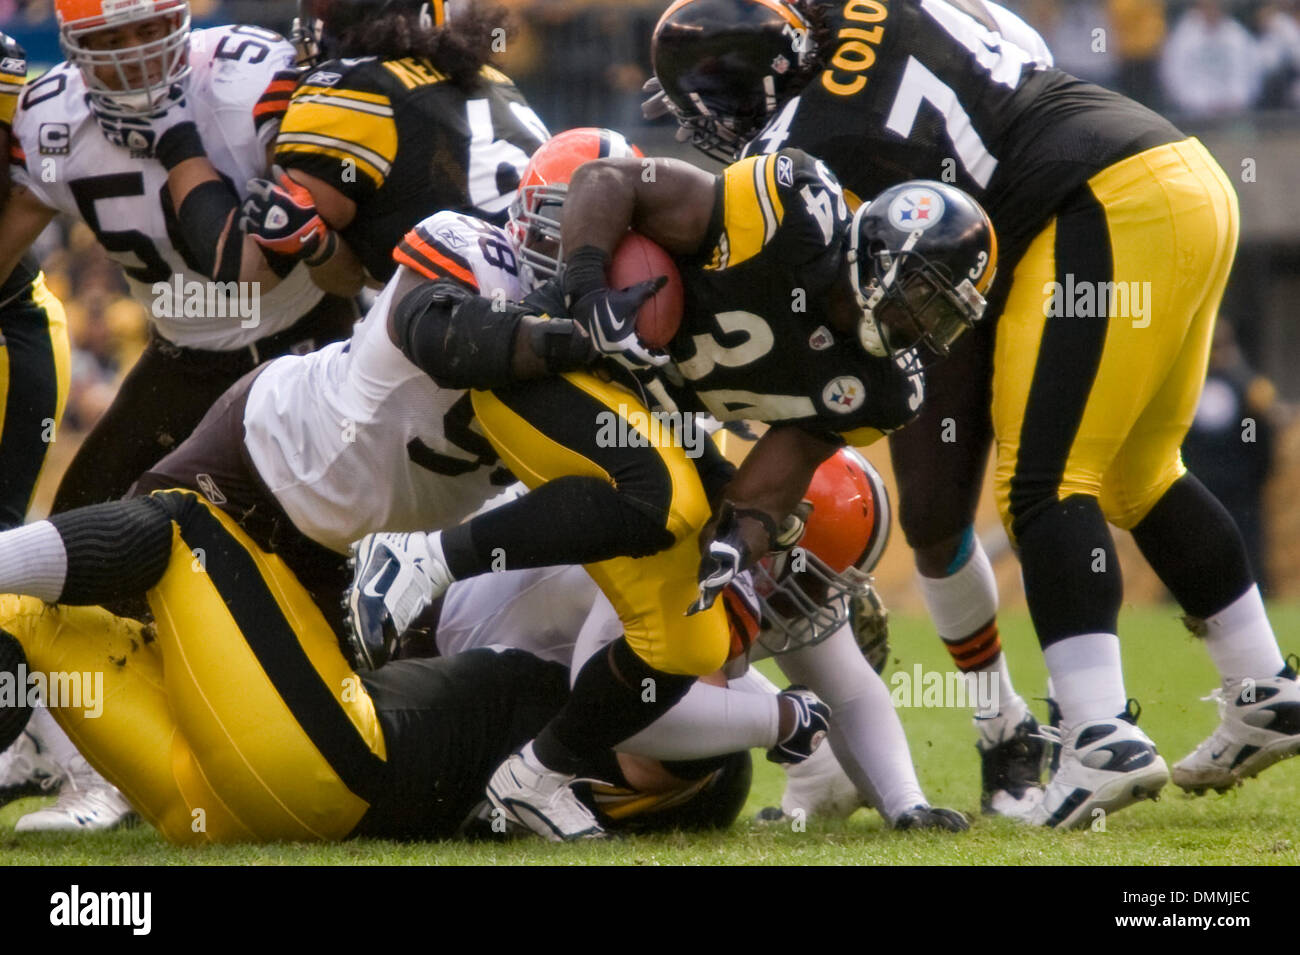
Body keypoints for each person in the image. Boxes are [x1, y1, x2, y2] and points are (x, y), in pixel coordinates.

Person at [648, 0, 1300, 827]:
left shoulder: (800, 151)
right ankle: (1263, 685)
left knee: (1043, 484)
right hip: (1178, 173)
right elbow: (1013, 61)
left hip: (1097, 203)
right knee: (1140, 476)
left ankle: (1098, 736)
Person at [347, 147, 996, 840]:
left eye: (947, 316)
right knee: (664, 507)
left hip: (649, 420)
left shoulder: (881, 386)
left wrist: (739, 542)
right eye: (928, 299)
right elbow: (608, 179)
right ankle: (424, 557)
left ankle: (536, 775)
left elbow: (771, 487)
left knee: (685, 631)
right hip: (568, 363)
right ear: (884, 258)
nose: (930, 330)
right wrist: (589, 292)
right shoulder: (791, 211)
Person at [242, 0, 550, 298]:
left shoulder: (344, 84)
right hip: (557, 281)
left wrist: (272, 140)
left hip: (472, 310)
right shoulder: (492, 77)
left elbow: (344, 276)